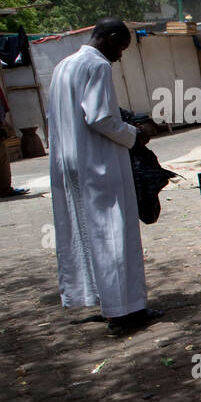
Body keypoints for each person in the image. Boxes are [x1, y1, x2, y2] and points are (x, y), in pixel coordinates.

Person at [48, 18, 161, 336]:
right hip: (98, 164)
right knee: (115, 235)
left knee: (91, 235)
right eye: (122, 48)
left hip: (71, 162)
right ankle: (126, 311)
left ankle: (109, 302)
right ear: (110, 39)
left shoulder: (64, 66)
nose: (121, 56)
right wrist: (134, 134)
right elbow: (100, 117)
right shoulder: (96, 65)